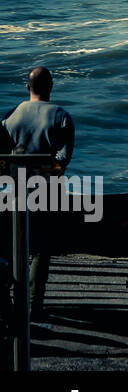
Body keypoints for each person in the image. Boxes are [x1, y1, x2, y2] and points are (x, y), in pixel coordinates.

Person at [3, 66, 75, 320]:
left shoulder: (11, 117)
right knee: (41, 248)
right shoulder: (61, 116)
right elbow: (62, 159)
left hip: (13, 189)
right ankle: (35, 303)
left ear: (27, 87)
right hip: (47, 190)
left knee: (13, 246)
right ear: (51, 87)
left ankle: (11, 299)